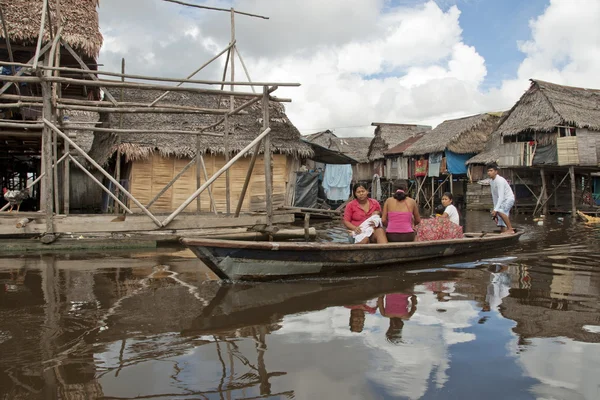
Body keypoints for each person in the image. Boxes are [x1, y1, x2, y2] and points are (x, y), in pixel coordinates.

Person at [487, 162, 515, 234]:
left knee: (500, 211)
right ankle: (505, 232)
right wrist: (494, 208)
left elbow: (501, 196)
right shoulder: (491, 182)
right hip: (502, 200)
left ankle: (510, 229)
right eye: (488, 171)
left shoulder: (500, 180)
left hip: (508, 199)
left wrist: (496, 209)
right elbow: (494, 196)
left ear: (496, 172)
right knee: (500, 219)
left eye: (491, 171)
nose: (489, 172)